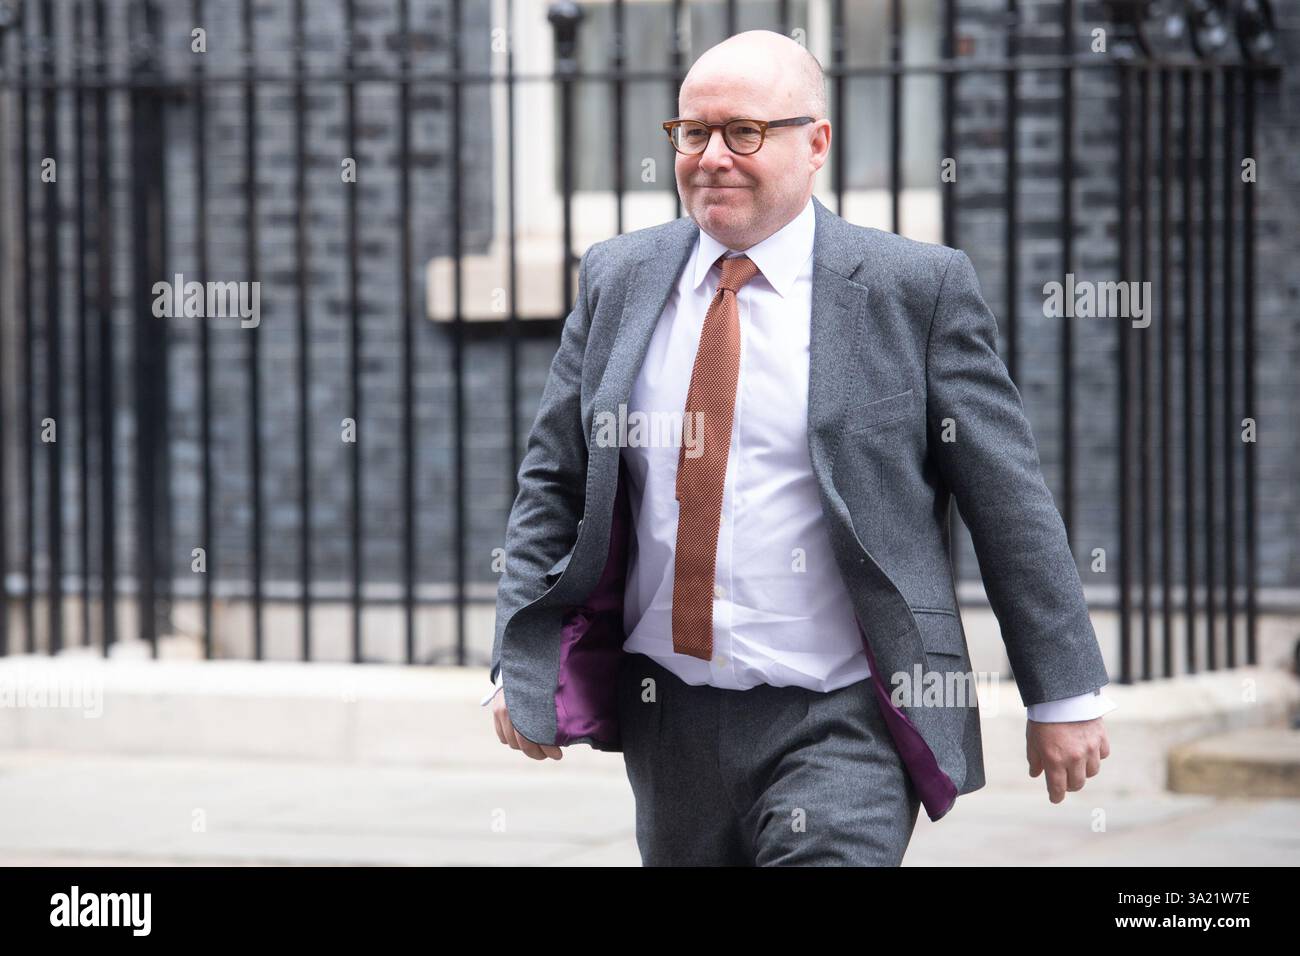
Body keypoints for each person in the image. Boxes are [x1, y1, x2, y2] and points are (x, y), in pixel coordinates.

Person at [485, 29, 1114, 866]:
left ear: (815, 142)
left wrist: (1062, 692)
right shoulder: (618, 278)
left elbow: (1008, 499)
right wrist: (518, 660)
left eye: (743, 131)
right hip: (667, 717)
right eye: (692, 132)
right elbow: (555, 483)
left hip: (842, 714)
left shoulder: (912, 289)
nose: (712, 157)